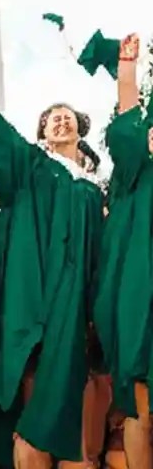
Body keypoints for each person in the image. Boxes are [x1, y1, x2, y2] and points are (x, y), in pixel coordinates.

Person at [0, 58, 106, 468]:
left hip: (78, 309)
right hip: (36, 300)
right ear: (41, 132)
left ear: (81, 128)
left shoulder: (95, 191)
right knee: (34, 398)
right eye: (52, 119)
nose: (60, 122)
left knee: (77, 415)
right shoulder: (33, 168)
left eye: (67, 117)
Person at [93, 33, 153, 469]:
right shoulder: (136, 176)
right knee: (141, 405)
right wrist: (127, 71)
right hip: (142, 292)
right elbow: (129, 124)